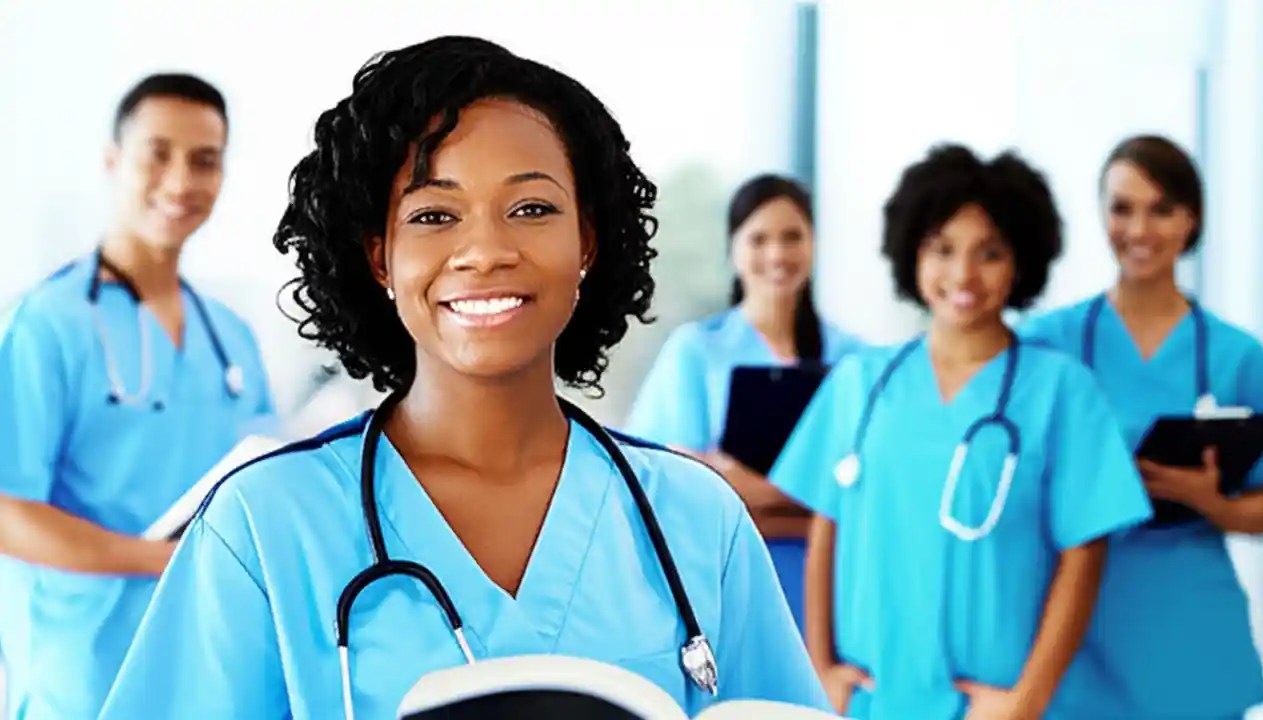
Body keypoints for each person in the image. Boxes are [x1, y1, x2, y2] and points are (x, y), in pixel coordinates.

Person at [98, 36, 830, 719]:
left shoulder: (698, 520)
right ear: (380, 258)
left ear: (587, 243)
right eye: (435, 214)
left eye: (532, 208)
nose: (485, 250)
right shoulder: (263, 526)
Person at [772, 144, 1153, 719]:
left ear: (1022, 261)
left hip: (989, 707)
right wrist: (820, 670)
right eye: (942, 249)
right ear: (911, 255)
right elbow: (826, 525)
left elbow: (1084, 554)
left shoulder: (1061, 391)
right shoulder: (861, 382)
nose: (963, 275)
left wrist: (1029, 698)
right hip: (871, 702)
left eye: (990, 253)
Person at [0, 73, 275, 719]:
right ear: (112, 161)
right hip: (86, 670)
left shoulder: (231, 336)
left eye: (204, 160)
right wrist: (159, 561)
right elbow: (7, 511)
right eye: (158, 153)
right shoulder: (46, 323)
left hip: (205, 662)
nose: (181, 181)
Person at [1018, 134, 1263, 719]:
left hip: (1189, 620)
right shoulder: (1050, 342)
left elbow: (1261, 513)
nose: (1139, 229)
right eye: (1122, 208)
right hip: (1080, 613)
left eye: (1161, 209)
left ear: (1192, 219)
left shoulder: (1239, 358)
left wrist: (1204, 499)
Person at [625, 175, 862, 629]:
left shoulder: (854, 360)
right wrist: (813, 509)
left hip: (830, 590)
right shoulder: (697, 350)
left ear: (814, 244)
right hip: (724, 577)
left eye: (792, 237)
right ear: (733, 250)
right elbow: (674, 486)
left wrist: (737, 482)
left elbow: (868, 500)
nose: (777, 254)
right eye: (759, 238)